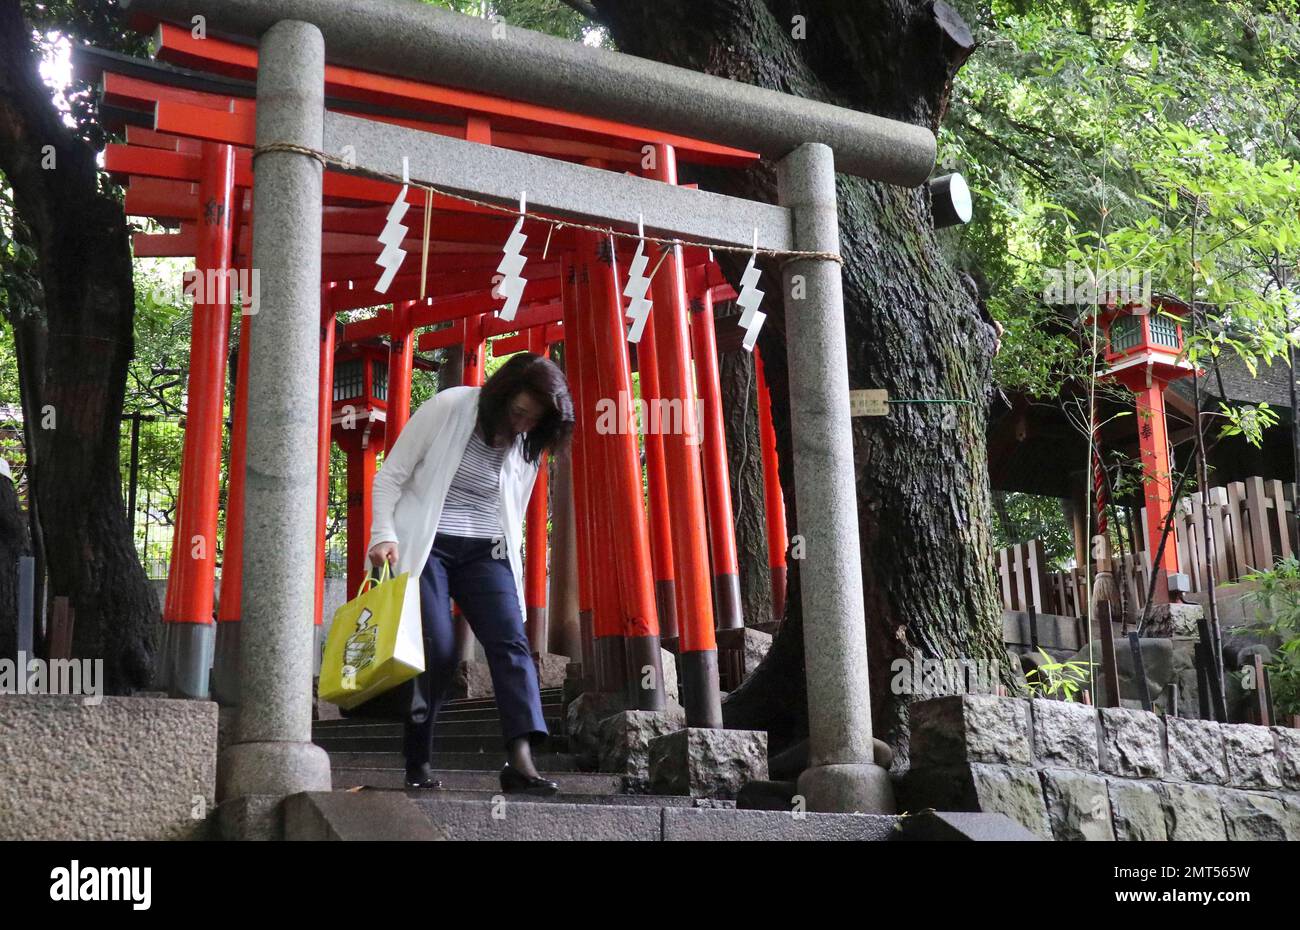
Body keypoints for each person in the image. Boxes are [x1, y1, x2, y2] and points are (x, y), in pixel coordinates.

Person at [367, 352, 574, 794]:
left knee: (511, 644)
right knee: (438, 650)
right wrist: (382, 533)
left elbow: (513, 508)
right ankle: (418, 759)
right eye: (519, 412)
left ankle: (520, 762)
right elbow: (390, 477)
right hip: (430, 545)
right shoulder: (449, 407)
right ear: (502, 392)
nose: (522, 424)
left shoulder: (527, 443)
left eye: (533, 420)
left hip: (487, 551)